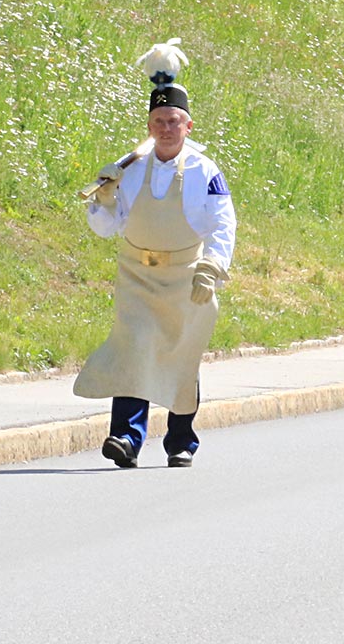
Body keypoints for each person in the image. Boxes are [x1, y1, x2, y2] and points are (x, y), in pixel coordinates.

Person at [77, 41, 237, 469]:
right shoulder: (128, 169)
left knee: (182, 356)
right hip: (138, 276)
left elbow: (223, 222)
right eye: (159, 122)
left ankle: (181, 441)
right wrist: (104, 201)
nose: (166, 129)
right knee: (134, 348)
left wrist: (212, 267)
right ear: (149, 126)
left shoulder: (205, 171)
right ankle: (126, 438)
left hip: (187, 278)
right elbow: (107, 227)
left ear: (188, 126)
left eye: (173, 121)